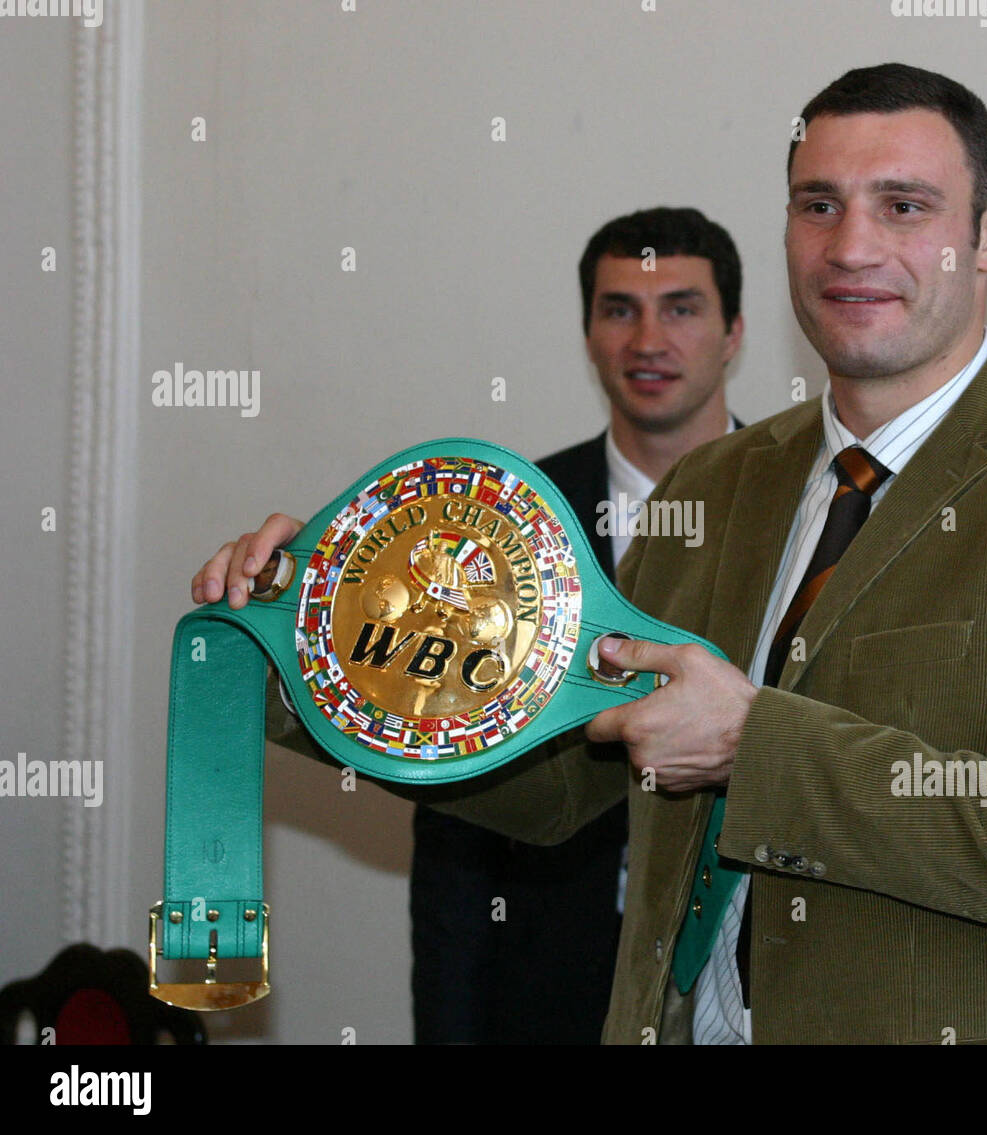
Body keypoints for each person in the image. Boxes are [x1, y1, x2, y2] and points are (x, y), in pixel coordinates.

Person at [268, 63, 987, 1044]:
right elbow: (558, 777)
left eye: (903, 206)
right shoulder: (713, 488)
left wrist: (752, 744)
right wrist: (318, 647)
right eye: (818, 204)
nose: (851, 247)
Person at [192, 206, 745, 1043]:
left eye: (681, 306)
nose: (648, 338)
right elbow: (452, 820)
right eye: (619, 308)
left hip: (746, 973)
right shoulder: (496, 520)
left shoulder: (814, 514)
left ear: (735, 332)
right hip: (543, 977)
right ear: (588, 332)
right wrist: (300, 612)